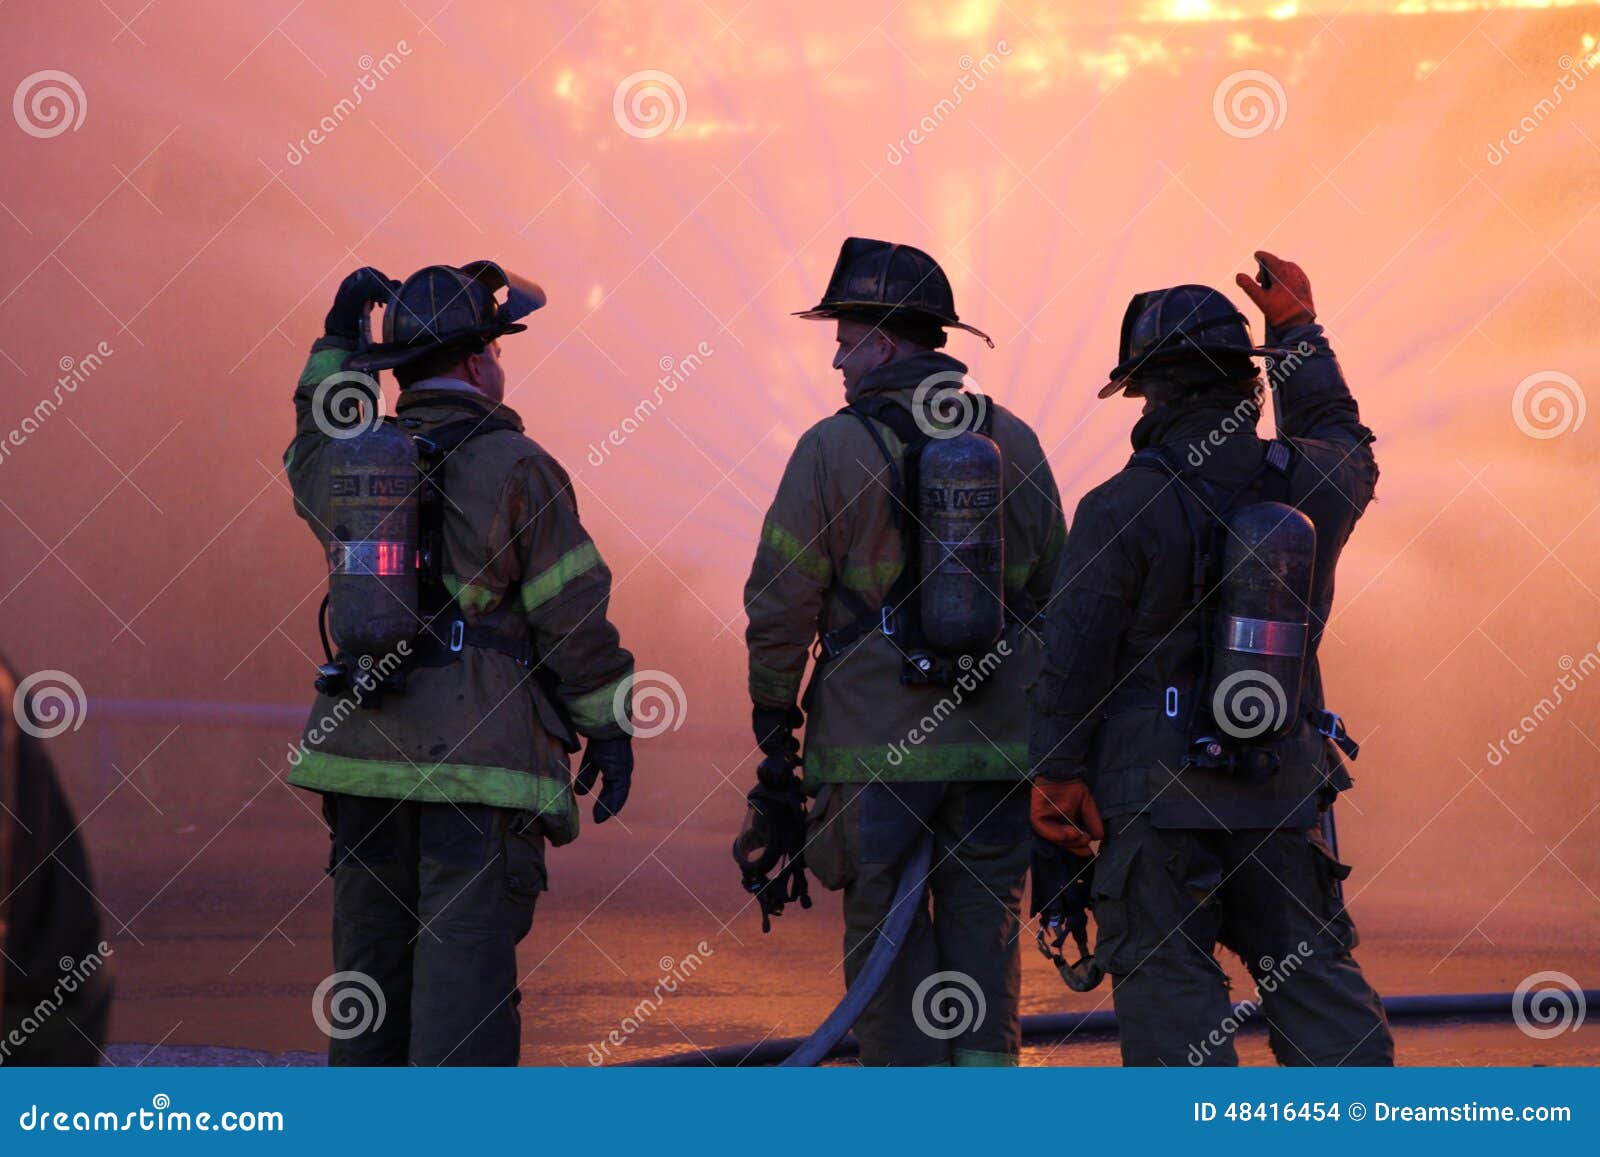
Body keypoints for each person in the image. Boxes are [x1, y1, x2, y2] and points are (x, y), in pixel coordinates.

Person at [1029, 251, 1394, 1066]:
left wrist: (1054, 779)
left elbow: (1071, 660)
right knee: (1315, 985)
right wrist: (1298, 334)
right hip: (1280, 791)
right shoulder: (1310, 483)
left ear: (1151, 390)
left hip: (1154, 808)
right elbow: (1347, 440)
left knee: (1171, 997)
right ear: (1244, 379)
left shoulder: (1117, 506)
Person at [284, 264, 635, 1065]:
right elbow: (572, 616)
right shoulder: (522, 468)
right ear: (479, 362)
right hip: (478, 775)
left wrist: (338, 340)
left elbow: (309, 438)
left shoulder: (354, 463)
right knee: (461, 1010)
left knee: (367, 1000)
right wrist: (609, 728)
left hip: (363, 766)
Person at [743, 237, 1066, 1065]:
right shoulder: (1017, 443)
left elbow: (782, 602)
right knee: (985, 948)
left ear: (882, 344)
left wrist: (775, 720)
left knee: (887, 958)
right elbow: (1055, 600)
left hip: (873, 754)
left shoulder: (829, 449)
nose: (839, 364)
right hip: (996, 749)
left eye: (844, 342)